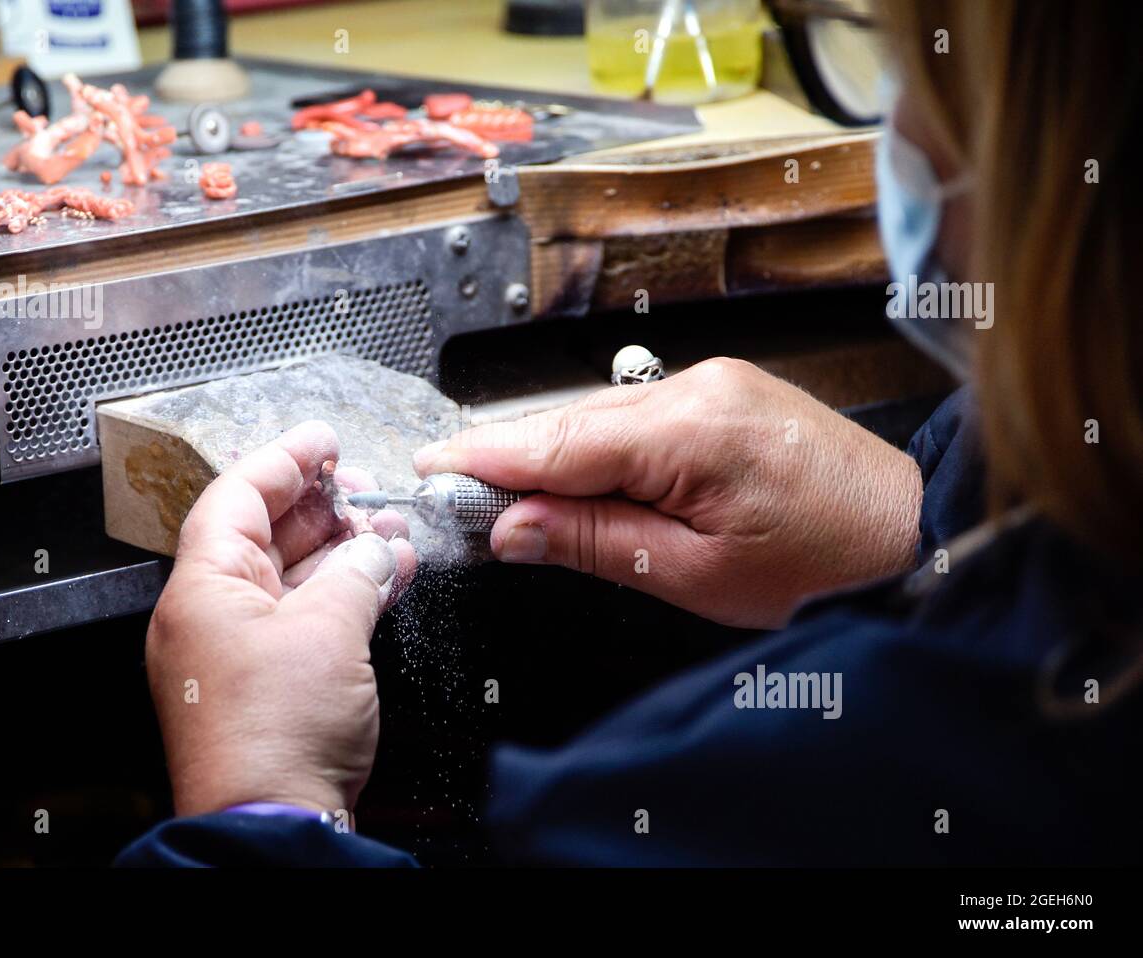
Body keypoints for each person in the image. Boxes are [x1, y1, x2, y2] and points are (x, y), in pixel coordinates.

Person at [118, 0, 1143, 866]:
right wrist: (911, 523)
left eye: (892, 58)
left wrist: (261, 803)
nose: (900, 130)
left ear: (1039, 169)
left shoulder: (721, 806)